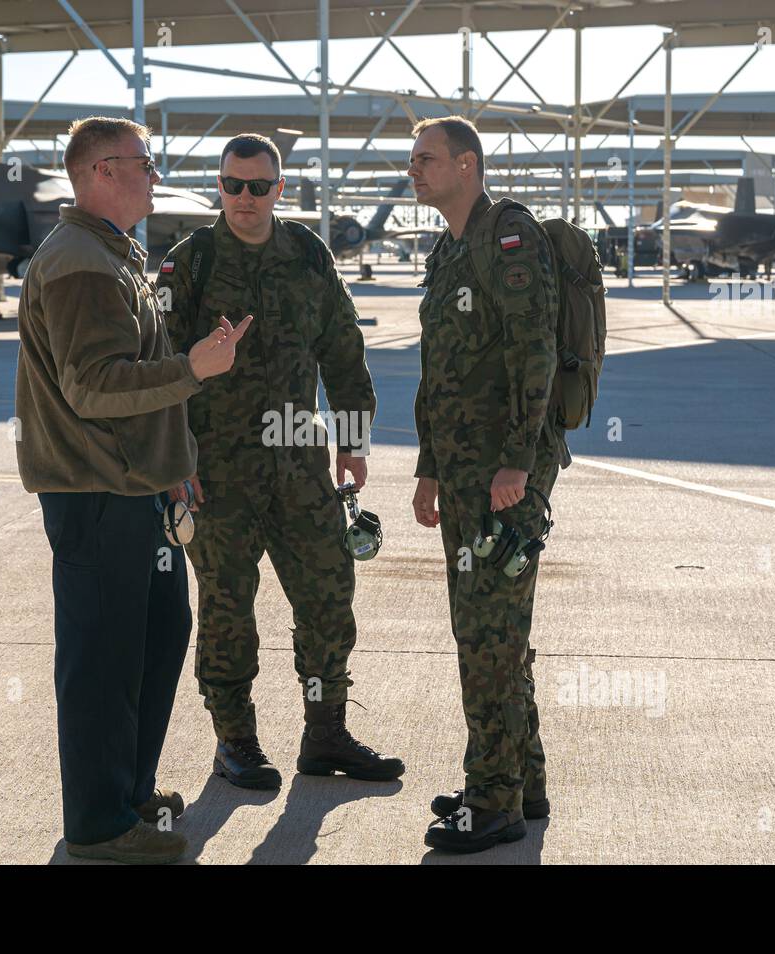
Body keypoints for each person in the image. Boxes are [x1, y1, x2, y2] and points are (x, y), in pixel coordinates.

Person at [15, 115, 251, 864]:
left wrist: (173, 459)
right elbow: (94, 386)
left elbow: (128, 378)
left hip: (135, 489)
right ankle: (97, 830)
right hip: (95, 496)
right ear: (102, 173)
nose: (154, 176)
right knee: (102, 662)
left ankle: (126, 797)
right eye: (144, 165)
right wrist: (195, 368)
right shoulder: (83, 262)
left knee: (153, 642)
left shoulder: (111, 252)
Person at [156, 133, 404, 791]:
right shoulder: (192, 263)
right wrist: (176, 462)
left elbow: (344, 353)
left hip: (301, 469)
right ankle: (235, 742)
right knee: (228, 610)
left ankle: (326, 735)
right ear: (219, 186)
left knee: (329, 599)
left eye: (259, 186)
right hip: (217, 479)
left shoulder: (308, 256)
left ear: (280, 189)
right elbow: (157, 372)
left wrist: (352, 442)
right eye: (233, 185)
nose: (245, 197)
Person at [407, 116, 564, 854]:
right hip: (464, 476)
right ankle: (519, 782)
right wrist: (429, 468)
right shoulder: (447, 251)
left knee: (488, 636)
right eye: (413, 159)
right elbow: (435, 369)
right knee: (494, 633)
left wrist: (517, 462)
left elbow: (536, 351)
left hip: (504, 479)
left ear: (467, 165)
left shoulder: (509, 236)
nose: (415, 169)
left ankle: (491, 801)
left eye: (427, 158)